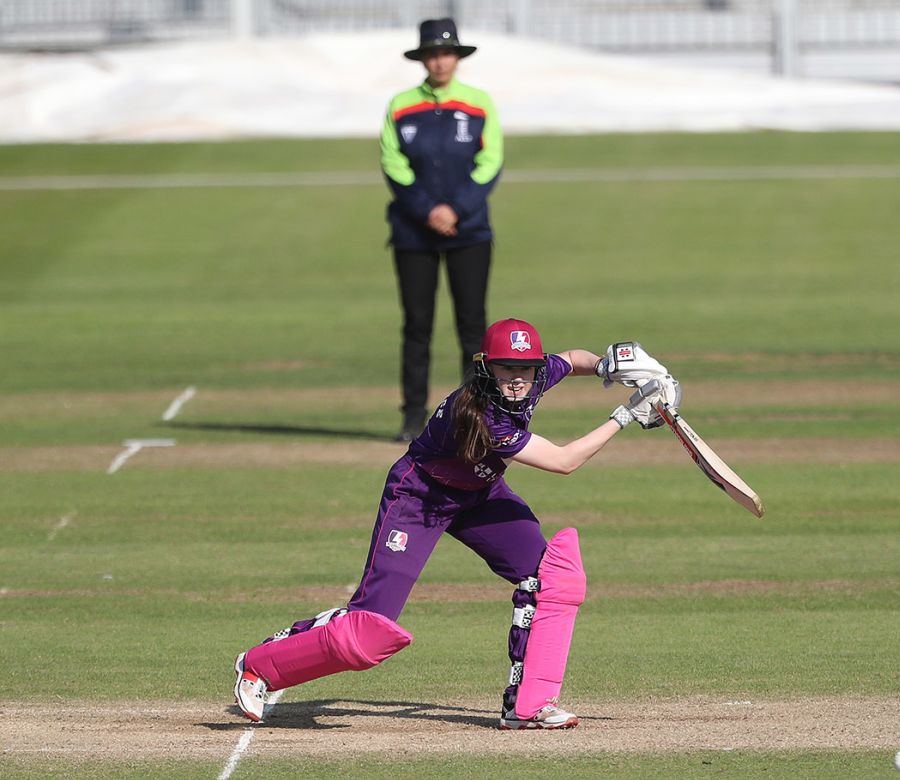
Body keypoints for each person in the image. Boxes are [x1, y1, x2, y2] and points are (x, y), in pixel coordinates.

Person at [232, 318, 680, 729]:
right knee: (368, 630)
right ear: (485, 367)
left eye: (525, 369)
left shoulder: (534, 374)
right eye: (506, 369)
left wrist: (610, 364)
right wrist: (626, 415)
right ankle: (261, 666)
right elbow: (563, 462)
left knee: (555, 577)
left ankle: (528, 705)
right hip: (420, 496)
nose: (517, 379)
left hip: (480, 494)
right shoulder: (480, 415)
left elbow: (571, 359)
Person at [381, 18, 504, 442]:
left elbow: (490, 163)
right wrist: (428, 210)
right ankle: (413, 416)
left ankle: (476, 416)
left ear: (457, 57)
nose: (440, 61)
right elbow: (393, 163)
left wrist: (455, 209)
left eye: (447, 53)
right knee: (417, 325)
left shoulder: (478, 102)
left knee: (472, 326)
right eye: (432, 53)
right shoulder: (400, 105)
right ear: (422, 59)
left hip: (468, 230)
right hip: (414, 232)